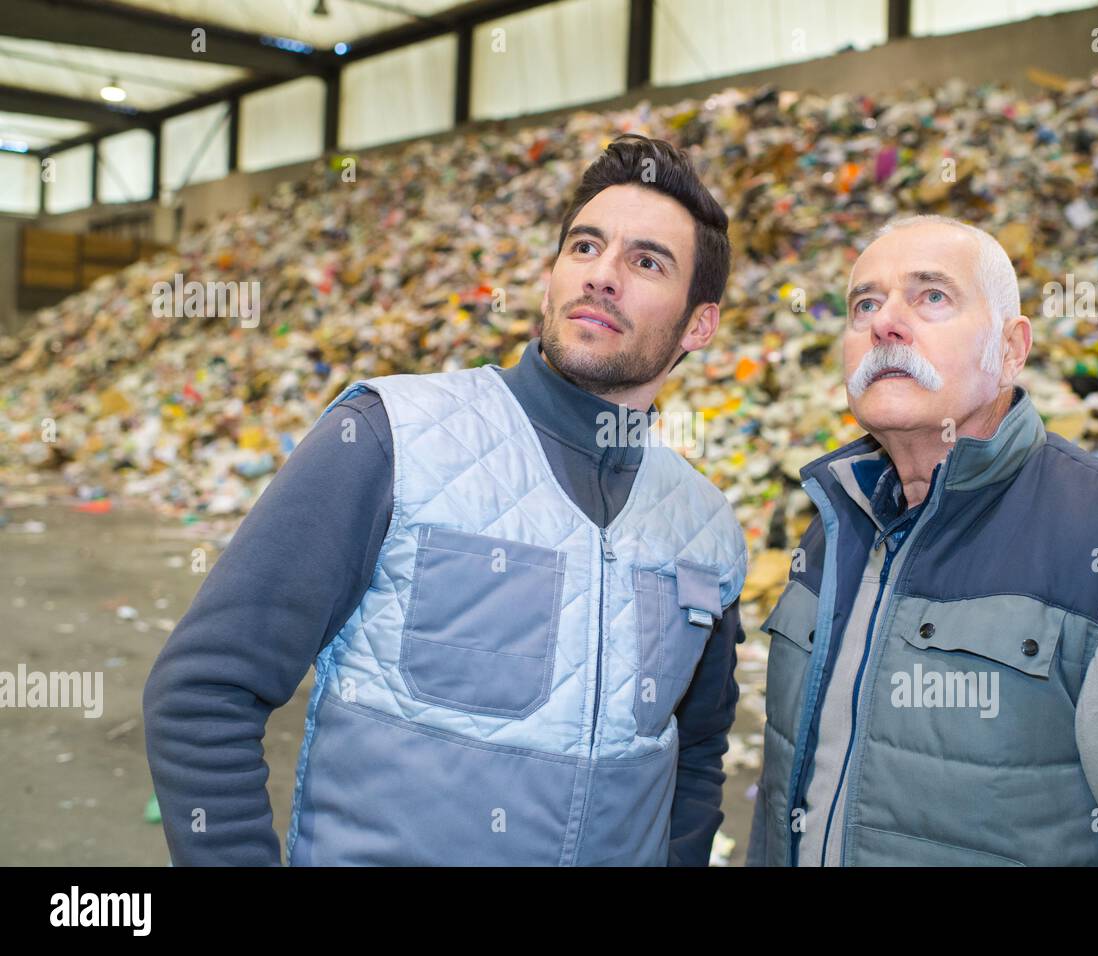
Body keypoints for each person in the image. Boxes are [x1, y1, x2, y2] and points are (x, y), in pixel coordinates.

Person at [144, 133, 749, 866]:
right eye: (584, 248)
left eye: (646, 261)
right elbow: (203, 692)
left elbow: (697, 753)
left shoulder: (706, 531)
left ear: (700, 323)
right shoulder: (391, 439)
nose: (602, 276)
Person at [747, 214, 1098, 866]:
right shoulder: (833, 531)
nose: (886, 322)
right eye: (864, 304)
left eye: (932, 295)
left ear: (1013, 348)